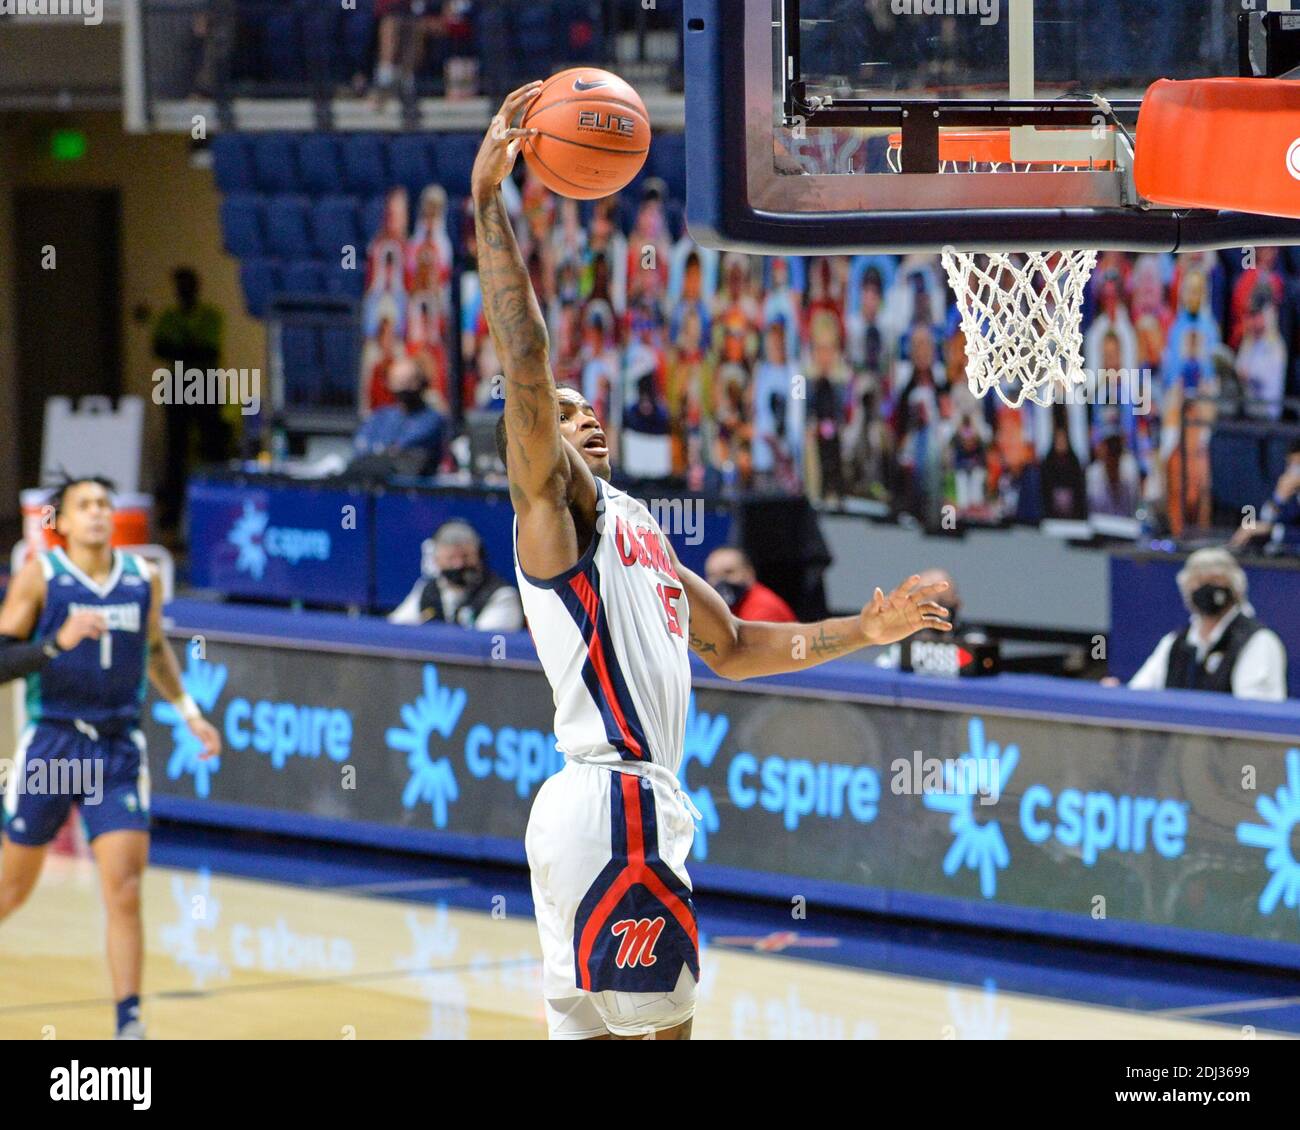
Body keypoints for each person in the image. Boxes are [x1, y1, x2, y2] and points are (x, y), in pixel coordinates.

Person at [474, 83, 951, 1041]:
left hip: (616, 806)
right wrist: (490, 206)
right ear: (534, 443)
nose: (584, 416)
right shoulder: (551, 513)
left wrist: (865, 629)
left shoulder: (634, 526)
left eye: (587, 406)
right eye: (565, 416)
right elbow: (524, 368)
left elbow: (731, 646)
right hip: (615, 799)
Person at [0, 477, 222, 1038]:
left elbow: (153, 650)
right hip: (53, 742)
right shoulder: (42, 577)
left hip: (117, 747)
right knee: (11, 890)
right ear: (64, 523)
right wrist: (56, 643)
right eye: (86, 505)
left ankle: (130, 1022)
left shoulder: (141, 579)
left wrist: (189, 711)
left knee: (123, 886)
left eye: (105, 504)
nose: (99, 513)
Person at [1121, 548, 1287, 700]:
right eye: (1198, 581)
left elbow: (1256, 715)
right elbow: (1139, 694)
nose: (1205, 588)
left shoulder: (1258, 642)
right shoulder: (1174, 643)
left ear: (1235, 588)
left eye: (1215, 580)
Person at [150, 267, 228, 531]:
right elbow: (159, 348)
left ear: (197, 286)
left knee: (212, 447)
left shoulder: (211, 316)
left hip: (205, 383)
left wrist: (181, 348)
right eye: (179, 285)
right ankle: (173, 511)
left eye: (188, 284)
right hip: (176, 385)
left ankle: (217, 507)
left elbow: (208, 349)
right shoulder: (169, 316)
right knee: (176, 451)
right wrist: (189, 350)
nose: (184, 290)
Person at [388, 520, 523, 630]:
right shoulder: (428, 590)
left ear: (479, 557)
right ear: (437, 560)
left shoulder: (502, 595)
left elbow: (483, 645)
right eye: (451, 559)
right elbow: (395, 628)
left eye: (465, 557)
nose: (459, 565)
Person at [352, 355, 445, 474]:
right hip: (374, 480)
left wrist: (382, 451)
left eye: (409, 382)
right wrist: (381, 452)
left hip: (412, 485)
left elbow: (403, 447)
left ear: (421, 383)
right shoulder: (380, 416)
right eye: (398, 382)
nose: (403, 389)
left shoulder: (432, 419)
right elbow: (361, 445)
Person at [1230, 438, 1300, 554]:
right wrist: (1279, 498)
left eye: (1298, 465)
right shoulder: (1288, 490)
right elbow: (1266, 519)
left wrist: (1271, 531)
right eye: (1291, 465)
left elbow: (1270, 528)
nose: (1294, 471)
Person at [703, 547, 797, 623]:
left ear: (749, 573)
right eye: (713, 575)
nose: (721, 581)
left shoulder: (763, 608)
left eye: (729, 572)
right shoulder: (723, 609)